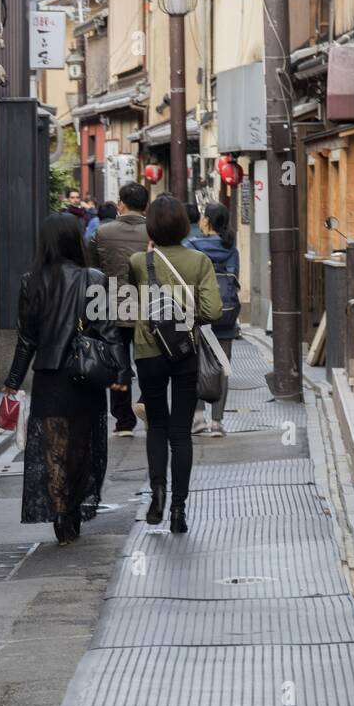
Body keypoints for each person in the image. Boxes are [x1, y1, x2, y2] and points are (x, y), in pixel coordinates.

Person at [2, 213, 127, 545]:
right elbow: (109, 331)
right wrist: (120, 372)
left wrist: (13, 380)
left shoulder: (31, 282)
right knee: (82, 448)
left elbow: (26, 338)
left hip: (48, 377)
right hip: (86, 375)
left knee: (54, 449)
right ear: (75, 241)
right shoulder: (95, 279)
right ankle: (72, 508)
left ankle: (60, 512)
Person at [129, 194, 222, 533]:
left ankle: (157, 493)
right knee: (181, 432)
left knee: (156, 425)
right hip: (184, 350)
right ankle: (179, 511)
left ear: (151, 226)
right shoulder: (199, 261)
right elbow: (212, 312)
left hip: (148, 351)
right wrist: (185, 314)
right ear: (185, 225)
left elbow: (129, 305)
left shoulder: (141, 262)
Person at [88, 181, 151, 436]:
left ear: (121, 205)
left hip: (112, 305)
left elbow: (92, 269)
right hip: (148, 305)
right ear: (145, 206)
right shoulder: (154, 232)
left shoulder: (101, 233)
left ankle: (124, 420)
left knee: (118, 362)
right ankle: (146, 402)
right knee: (148, 358)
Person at [187, 201, 240, 436]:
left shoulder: (191, 246)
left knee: (195, 367)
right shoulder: (231, 249)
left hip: (198, 316)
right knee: (222, 368)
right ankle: (217, 422)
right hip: (225, 317)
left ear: (206, 220)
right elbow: (235, 279)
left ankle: (198, 418)